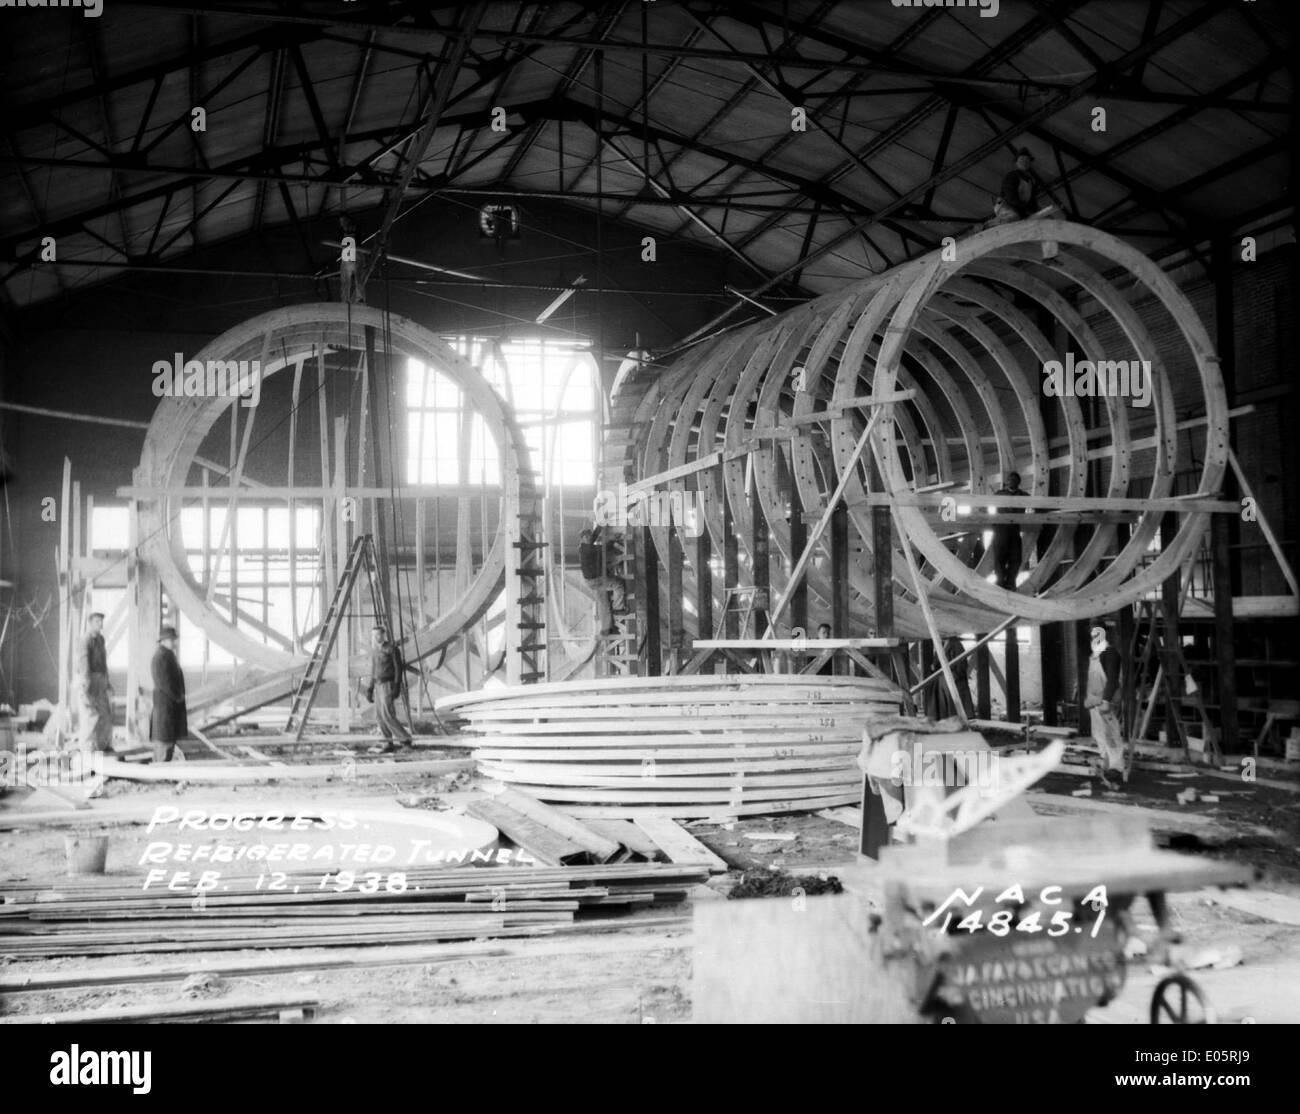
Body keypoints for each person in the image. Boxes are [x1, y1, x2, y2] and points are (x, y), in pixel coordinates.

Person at [1086, 625, 1125, 790]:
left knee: (1111, 734)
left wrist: (1107, 700)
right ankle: (1106, 764)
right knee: (1100, 734)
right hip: (1095, 701)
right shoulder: (1096, 655)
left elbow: (1113, 680)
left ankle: (1116, 768)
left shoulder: (1110, 654)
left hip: (1105, 701)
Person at [367, 627, 412, 752]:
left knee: (388, 715)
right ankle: (388, 743)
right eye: (373, 635)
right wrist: (370, 688)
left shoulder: (392, 649)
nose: (376, 638)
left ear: (383, 635)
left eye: (378, 635)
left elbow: (398, 669)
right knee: (379, 716)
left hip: (388, 684)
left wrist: (397, 686)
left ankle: (405, 740)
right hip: (377, 685)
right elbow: (373, 671)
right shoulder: (375, 651)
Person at [76, 611, 113, 753]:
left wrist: (107, 681)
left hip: (100, 680)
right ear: (90, 623)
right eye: (97, 621)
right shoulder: (85, 640)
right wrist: (86, 682)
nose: (101, 624)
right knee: (90, 715)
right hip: (89, 679)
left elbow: (103, 661)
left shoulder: (100, 639)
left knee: (105, 713)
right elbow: (83, 661)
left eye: (101, 621)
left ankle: (103, 745)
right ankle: (86, 747)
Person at [579, 527, 627, 635]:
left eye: (589, 536)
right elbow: (603, 549)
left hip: (592, 580)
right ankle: (618, 608)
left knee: (603, 602)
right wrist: (613, 540)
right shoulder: (588, 550)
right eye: (587, 537)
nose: (589, 538)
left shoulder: (584, 546)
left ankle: (607, 629)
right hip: (596, 580)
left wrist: (601, 524)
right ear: (582, 538)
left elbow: (594, 536)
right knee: (618, 585)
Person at [149, 626, 187, 762]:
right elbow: (164, 683)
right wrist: (178, 696)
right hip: (165, 705)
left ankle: (163, 772)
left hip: (170, 705)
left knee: (169, 740)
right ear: (163, 641)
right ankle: (159, 773)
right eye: (171, 640)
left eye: (174, 640)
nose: (174, 642)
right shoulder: (160, 657)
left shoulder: (168, 655)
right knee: (163, 740)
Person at [990, 471, 1025, 590]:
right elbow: (985, 504)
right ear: (1006, 482)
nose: (1012, 482)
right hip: (1001, 528)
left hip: (1014, 529)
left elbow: (1037, 504)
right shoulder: (999, 494)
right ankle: (1000, 582)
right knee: (1000, 557)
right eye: (1010, 479)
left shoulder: (1023, 495)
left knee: (1016, 557)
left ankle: (1010, 582)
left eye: (1015, 480)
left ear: (1018, 483)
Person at [997, 148, 1039, 220]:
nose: (1024, 162)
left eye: (1027, 160)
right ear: (1016, 163)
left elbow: (1032, 201)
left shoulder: (1030, 181)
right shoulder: (1011, 176)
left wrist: (1035, 210)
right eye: (1021, 160)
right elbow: (1011, 197)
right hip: (1006, 209)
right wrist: (1024, 209)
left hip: (1020, 210)